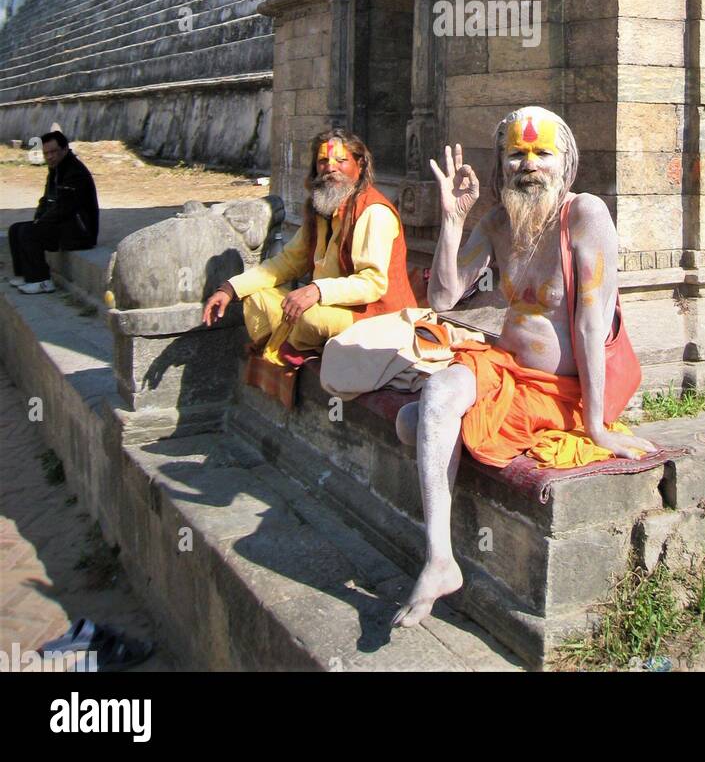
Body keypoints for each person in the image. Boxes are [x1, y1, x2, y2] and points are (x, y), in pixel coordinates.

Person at [391, 105, 658, 628]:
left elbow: (590, 325)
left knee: (417, 425)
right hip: (506, 371)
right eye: (516, 154)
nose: (528, 165)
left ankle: (446, 518)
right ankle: (441, 561)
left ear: (567, 164)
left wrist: (597, 425)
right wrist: (452, 219)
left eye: (541, 154)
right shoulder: (496, 220)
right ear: (501, 165)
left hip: (562, 389)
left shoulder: (586, 216)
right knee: (435, 398)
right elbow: (444, 296)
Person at [202, 130, 414, 361]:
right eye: (323, 161)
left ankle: (288, 344)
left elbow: (373, 283)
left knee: (309, 318)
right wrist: (230, 289)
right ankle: (296, 343)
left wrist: (317, 290)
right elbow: (288, 262)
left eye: (341, 161)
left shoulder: (374, 212)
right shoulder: (321, 211)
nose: (330, 168)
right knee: (256, 298)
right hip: (331, 306)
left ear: (360, 165)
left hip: (378, 314)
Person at [9, 131, 99, 295]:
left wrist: (40, 224)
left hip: (80, 232)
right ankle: (26, 275)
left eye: (53, 152)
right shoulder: (56, 170)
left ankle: (41, 281)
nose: (49, 157)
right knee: (15, 229)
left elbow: (64, 208)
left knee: (29, 232)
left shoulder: (74, 172)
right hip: (64, 225)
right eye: (46, 153)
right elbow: (46, 200)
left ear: (65, 150)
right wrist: (39, 217)